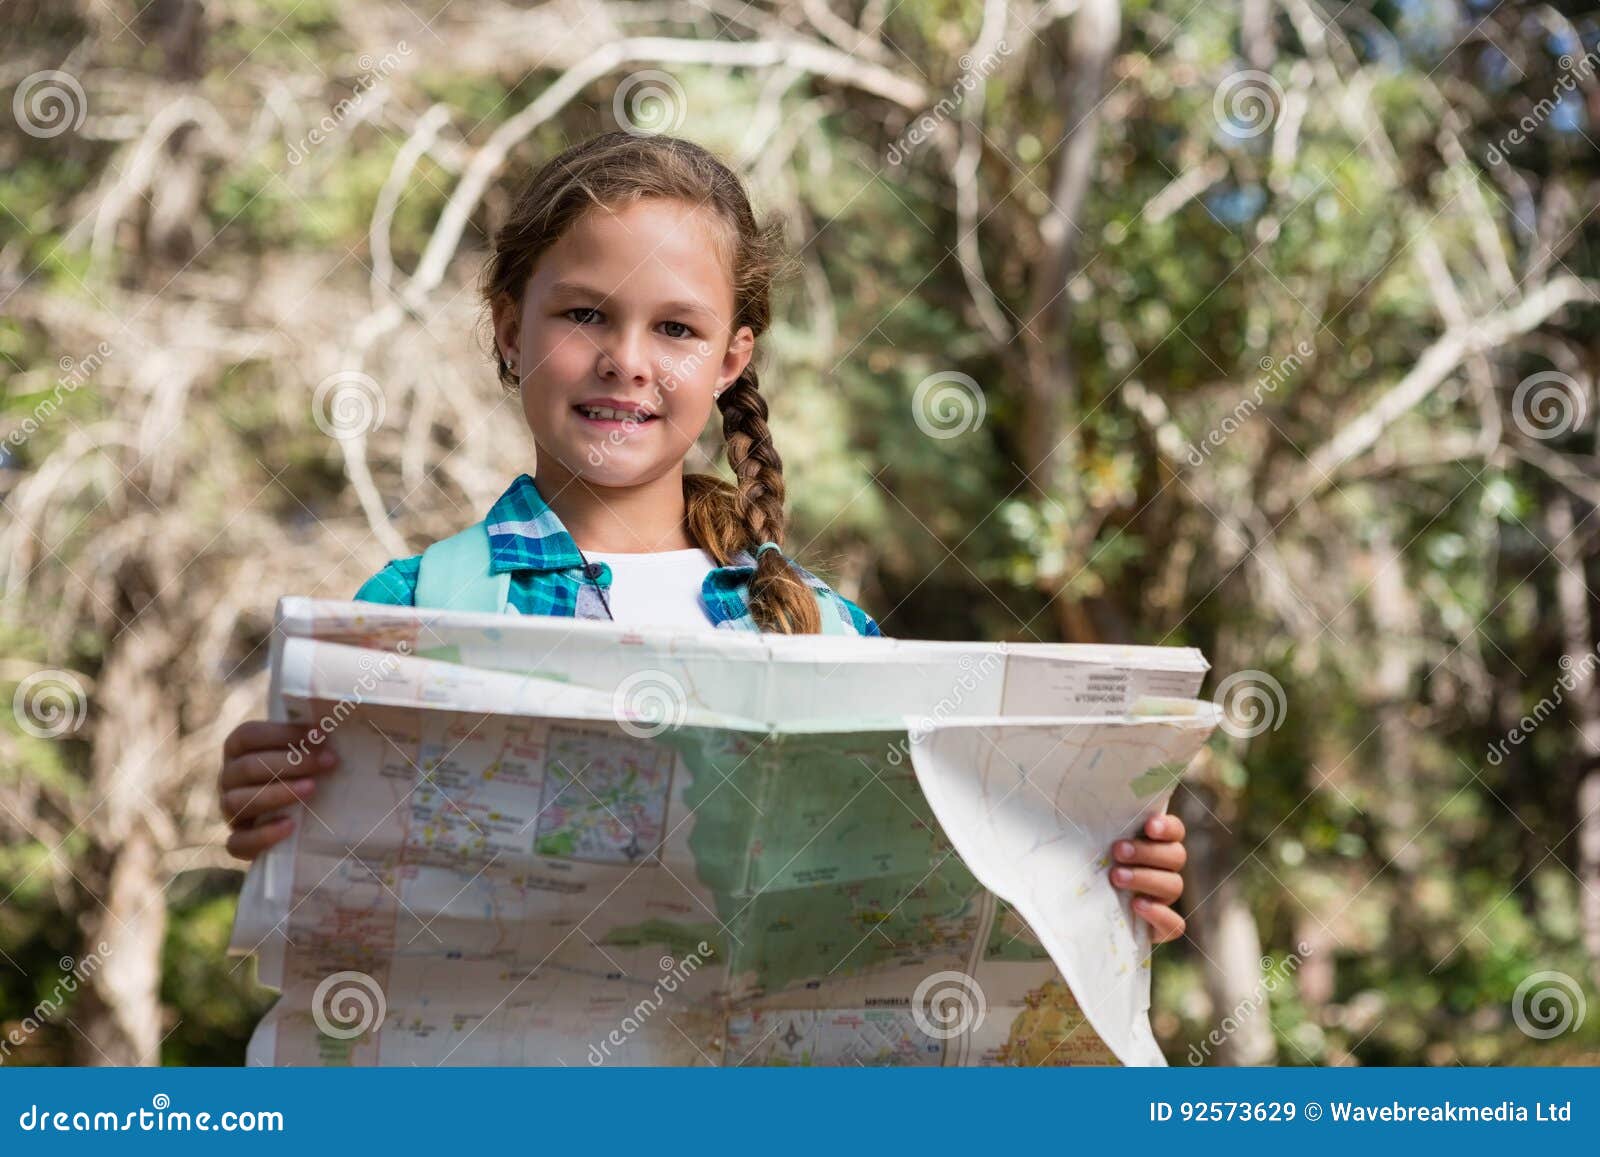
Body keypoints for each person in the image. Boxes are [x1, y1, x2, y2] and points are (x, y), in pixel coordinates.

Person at [217, 131, 1188, 944]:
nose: (625, 361)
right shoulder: (408, 611)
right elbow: (322, 891)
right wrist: (272, 797)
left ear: (732, 360)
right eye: (585, 313)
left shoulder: (832, 637)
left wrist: (1102, 870)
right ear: (510, 330)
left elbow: (934, 896)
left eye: (675, 329)